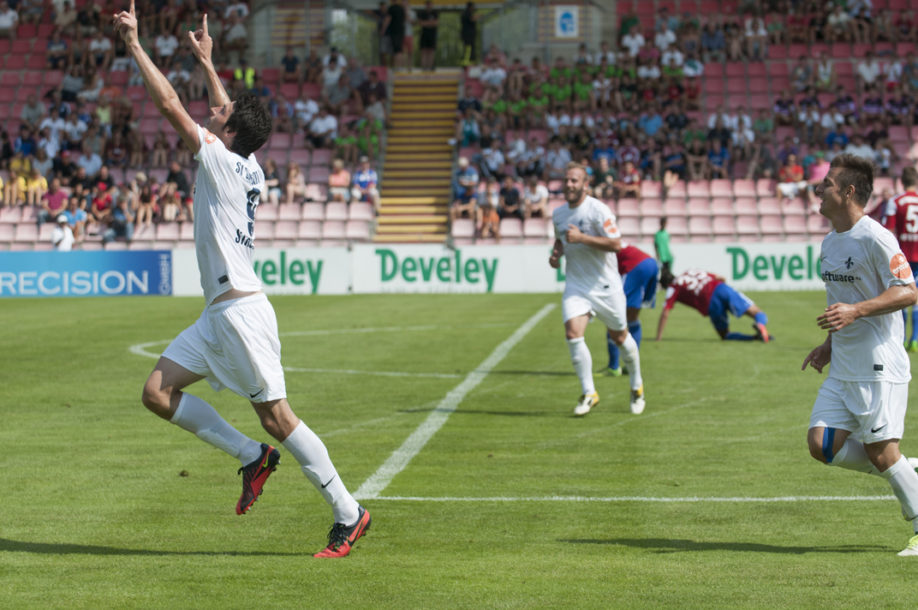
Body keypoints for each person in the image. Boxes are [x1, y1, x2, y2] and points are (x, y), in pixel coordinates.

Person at [112, 3, 370, 558]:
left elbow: (170, 104)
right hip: (218, 313)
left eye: (220, 116)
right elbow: (226, 108)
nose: (213, 112)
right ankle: (252, 458)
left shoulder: (221, 161)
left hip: (242, 314)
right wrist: (208, 60)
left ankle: (349, 513)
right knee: (158, 393)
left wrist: (135, 45)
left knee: (278, 416)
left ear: (228, 134)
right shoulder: (248, 163)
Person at [802, 153, 918, 557]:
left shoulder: (876, 237)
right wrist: (827, 345)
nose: (818, 190)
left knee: (880, 452)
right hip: (844, 363)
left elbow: (908, 291)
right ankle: (903, 467)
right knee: (822, 445)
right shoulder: (829, 242)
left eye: (827, 185)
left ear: (849, 191)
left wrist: (857, 310)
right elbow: (840, 301)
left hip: (877, 362)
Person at [549, 162, 645, 416]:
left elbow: (616, 244)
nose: (569, 185)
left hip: (605, 286)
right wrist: (556, 254)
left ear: (585, 184)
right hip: (577, 285)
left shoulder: (598, 210)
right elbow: (560, 239)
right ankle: (589, 392)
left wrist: (582, 238)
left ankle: (636, 385)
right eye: (566, 180)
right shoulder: (558, 214)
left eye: (574, 181)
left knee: (620, 338)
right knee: (573, 333)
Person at [657, 268, 771, 342]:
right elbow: (721, 278)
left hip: (710, 303)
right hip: (720, 288)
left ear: (665, 284)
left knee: (725, 335)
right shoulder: (689, 272)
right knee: (757, 312)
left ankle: (753, 338)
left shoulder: (673, 288)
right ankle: (760, 325)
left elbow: (665, 313)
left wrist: (659, 337)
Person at [606, 245, 659, 376]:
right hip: (651, 264)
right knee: (633, 317)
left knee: (614, 316)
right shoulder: (608, 238)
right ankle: (632, 365)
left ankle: (613, 367)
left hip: (635, 266)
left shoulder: (598, 247)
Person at [883, 167, 918, 351]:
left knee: (902, 296)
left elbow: (888, 230)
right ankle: (916, 339)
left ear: (901, 182)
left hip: (902, 257)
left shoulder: (895, 201)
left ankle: (902, 338)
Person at [416, 0, 438, 71]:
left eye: (430, 4)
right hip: (424, 35)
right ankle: (424, 68)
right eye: (427, 4)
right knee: (424, 51)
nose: (429, 6)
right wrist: (430, 23)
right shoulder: (422, 13)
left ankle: (430, 67)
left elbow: (435, 23)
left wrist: (425, 23)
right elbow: (420, 23)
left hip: (432, 35)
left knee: (431, 51)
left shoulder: (435, 13)